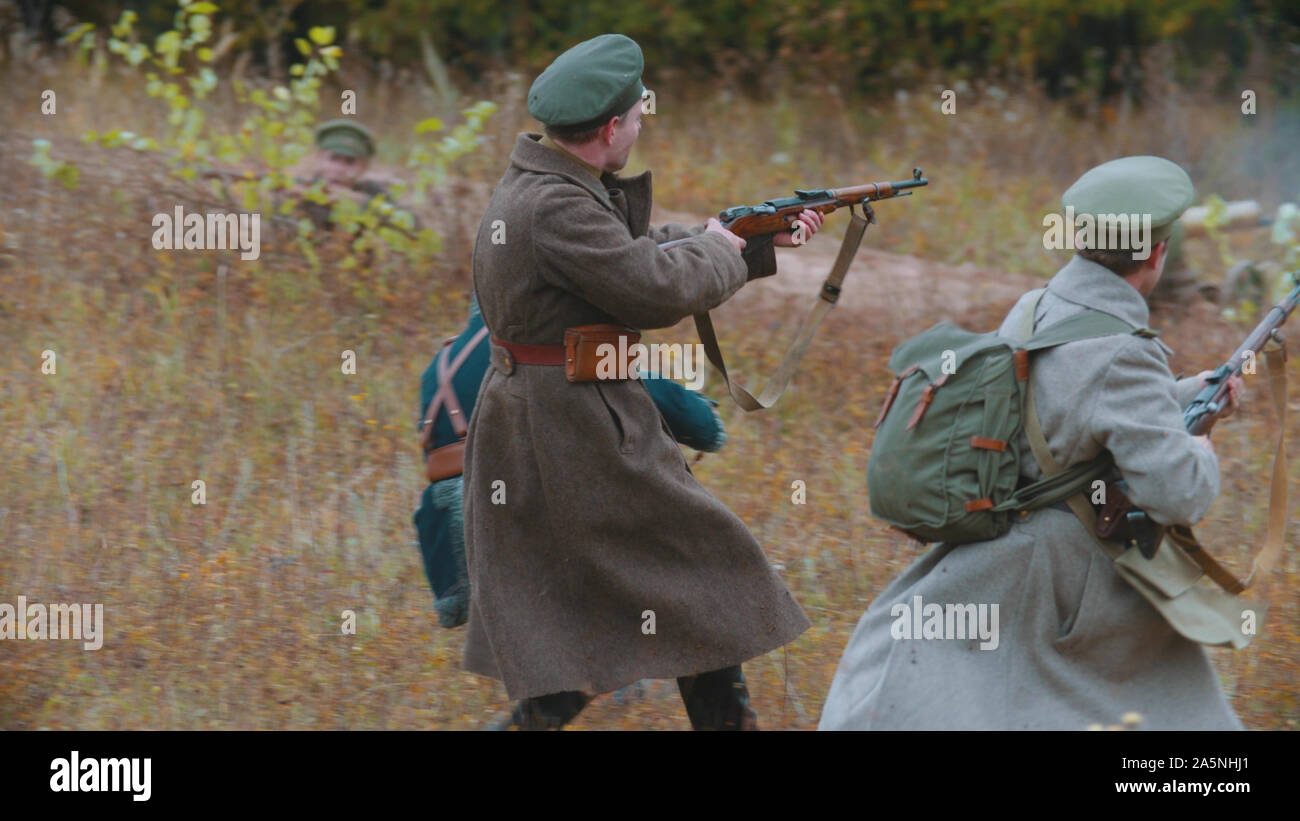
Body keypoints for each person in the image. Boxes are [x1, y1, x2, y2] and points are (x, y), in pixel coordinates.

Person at [461, 33, 822, 730]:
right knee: (699, 573)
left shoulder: (548, 182)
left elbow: (630, 254)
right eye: (635, 116)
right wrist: (722, 251)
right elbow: (652, 289)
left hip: (563, 420)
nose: (641, 124)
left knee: (655, 591)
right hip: (575, 432)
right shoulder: (555, 206)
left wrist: (739, 240)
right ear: (607, 129)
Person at [820, 156, 1248, 730]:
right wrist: (1201, 447)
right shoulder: (1125, 349)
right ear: (1155, 253)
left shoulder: (1037, 307)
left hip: (999, 536)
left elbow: (1068, 409)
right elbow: (1178, 493)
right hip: (1070, 567)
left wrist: (1191, 392)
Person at [413, 294, 732, 629]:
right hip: (543, 506)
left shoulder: (438, 366)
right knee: (700, 578)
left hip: (470, 534)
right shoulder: (546, 336)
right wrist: (704, 423)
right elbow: (636, 386)